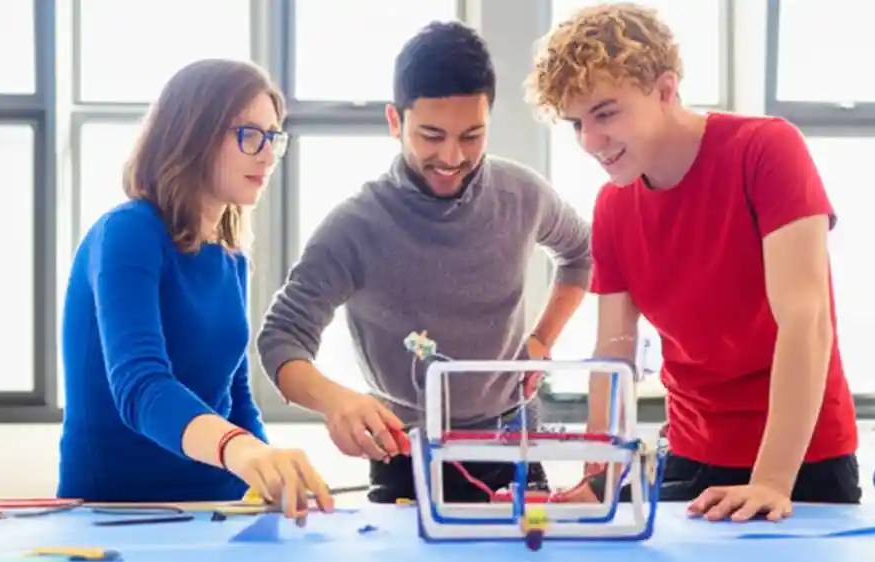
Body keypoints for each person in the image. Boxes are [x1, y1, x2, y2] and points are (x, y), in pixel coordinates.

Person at [525, 3, 861, 522]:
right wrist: (600, 472)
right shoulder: (613, 206)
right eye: (576, 123)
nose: (590, 141)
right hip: (691, 455)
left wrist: (771, 481)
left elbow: (806, 321)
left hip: (802, 460)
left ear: (665, 89)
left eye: (606, 113)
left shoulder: (766, 150)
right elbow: (613, 354)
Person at [258, 21, 592, 504]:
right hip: (403, 455)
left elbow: (581, 254)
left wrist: (542, 338)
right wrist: (337, 401)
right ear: (395, 122)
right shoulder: (356, 225)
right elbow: (280, 339)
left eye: (472, 135)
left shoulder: (522, 193)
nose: (452, 156)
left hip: (512, 439)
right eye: (431, 135)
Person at [59, 59, 332, 522]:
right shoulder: (127, 233)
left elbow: (235, 395)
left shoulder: (230, 257)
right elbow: (141, 387)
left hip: (218, 505)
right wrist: (242, 451)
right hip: (116, 512)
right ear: (194, 135)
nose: (267, 155)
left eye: (273, 137)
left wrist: (268, 474)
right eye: (250, 135)